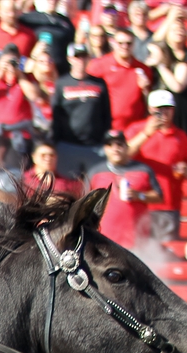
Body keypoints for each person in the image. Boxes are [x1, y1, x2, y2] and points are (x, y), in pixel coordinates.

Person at [126, 89, 187, 241]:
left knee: (164, 257)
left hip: (168, 206)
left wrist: (186, 170)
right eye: (159, 109)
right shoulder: (136, 129)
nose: (163, 113)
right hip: (138, 203)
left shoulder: (181, 136)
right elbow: (124, 155)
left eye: (167, 108)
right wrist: (146, 134)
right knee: (137, 252)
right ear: (150, 109)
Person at [86, 129, 163, 249]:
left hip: (137, 238)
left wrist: (140, 195)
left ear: (127, 147)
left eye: (119, 145)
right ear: (105, 149)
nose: (115, 149)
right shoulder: (95, 172)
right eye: (110, 145)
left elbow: (159, 196)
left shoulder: (143, 170)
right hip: (104, 238)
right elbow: (86, 201)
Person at [51, 43, 113, 177]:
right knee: (68, 188)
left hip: (95, 146)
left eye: (84, 57)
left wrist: (104, 140)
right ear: (69, 59)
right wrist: (56, 142)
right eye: (77, 57)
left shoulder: (99, 83)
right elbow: (56, 115)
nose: (80, 61)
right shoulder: (62, 83)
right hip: (68, 145)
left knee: (95, 188)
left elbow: (106, 114)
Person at [88, 27, 152, 131]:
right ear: (113, 43)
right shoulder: (99, 65)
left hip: (135, 127)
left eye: (129, 43)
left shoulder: (143, 69)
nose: (124, 46)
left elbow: (148, 101)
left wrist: (145, 89)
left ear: (134, 44)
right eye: (120, 43)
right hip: (107, 126)